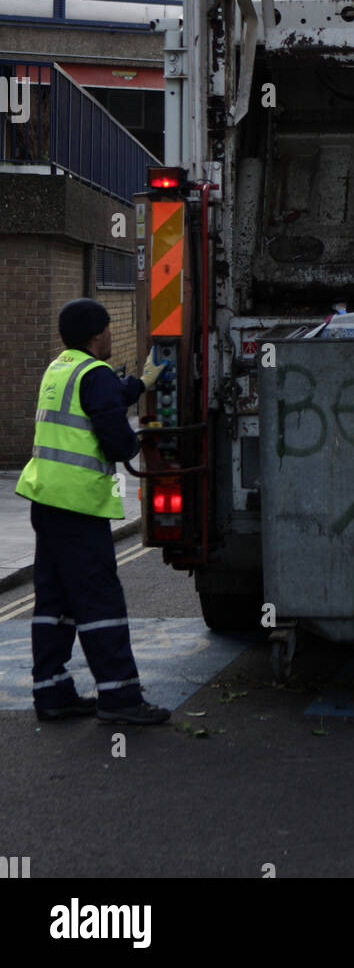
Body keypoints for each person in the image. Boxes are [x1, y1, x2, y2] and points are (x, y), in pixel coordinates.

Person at [15, 298, 171, 725]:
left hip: (46, 501)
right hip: (80, 506)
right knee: (100, 598)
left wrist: (139, 385)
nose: (108, 336)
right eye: (105, 330)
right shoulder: (96, 373)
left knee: (55, 600)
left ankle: (51, 692)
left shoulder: (59, 369)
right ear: (96, 335)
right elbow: (116, 437)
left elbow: (103, 400)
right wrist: (137, 439)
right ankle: (120, 698)